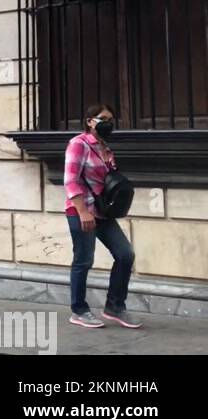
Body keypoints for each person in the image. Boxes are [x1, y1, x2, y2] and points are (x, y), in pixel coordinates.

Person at [63, 103, 141, 329]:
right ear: (90, 121)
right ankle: (79, 310)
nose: (109, 123)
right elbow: (70, 180)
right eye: (103, 118)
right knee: (84, 260)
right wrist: (82, 211)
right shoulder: (78, 144)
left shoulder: (105, 148)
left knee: (125, 254)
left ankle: (114, 307)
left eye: (111, 120)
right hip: (81, 210)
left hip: (102, 212)